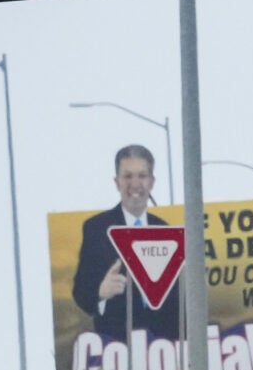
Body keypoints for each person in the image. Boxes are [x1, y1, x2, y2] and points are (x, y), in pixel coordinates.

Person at [70, 145, 178, 346]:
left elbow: (176, 297)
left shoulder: (164, 230)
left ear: (152, 182)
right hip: (116, 348)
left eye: (142, 175)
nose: (135, 184)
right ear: (117, 182)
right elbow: (80, 291)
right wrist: (100, 292)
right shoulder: (96, 229)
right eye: (128, 176)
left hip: (163, 350)